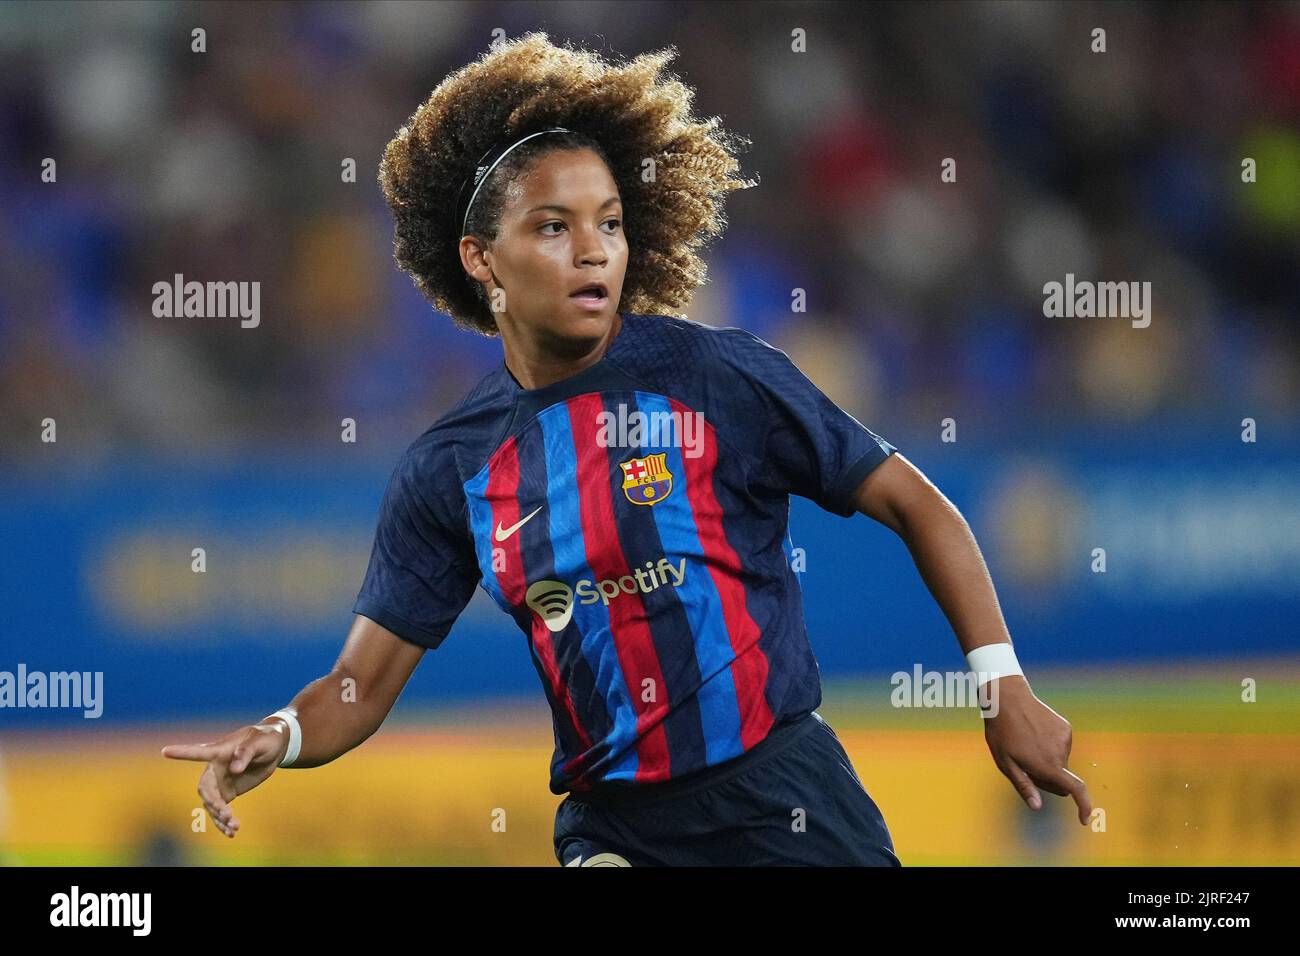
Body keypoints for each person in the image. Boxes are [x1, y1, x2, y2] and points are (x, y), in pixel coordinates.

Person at [163, 32, 1091, 866]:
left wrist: (999, 683)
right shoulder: (449, 470)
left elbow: (916, 503)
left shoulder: (720, 377)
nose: (594, 252)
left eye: (608, 222)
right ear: (480, 258)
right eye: (553, 228)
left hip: (786, 801)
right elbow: (358, 688)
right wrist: (278, 735)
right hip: (618, 834)